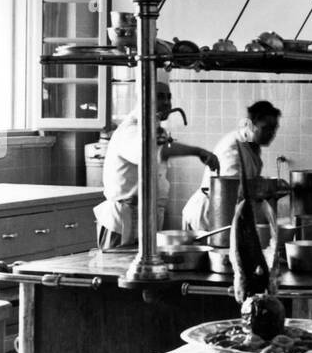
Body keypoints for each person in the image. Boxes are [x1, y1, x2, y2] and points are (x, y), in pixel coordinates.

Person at [94, 82, 219, 249]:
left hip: (146, 217)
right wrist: (198, 151)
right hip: (123, 222)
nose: (167, 102)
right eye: (160, 97)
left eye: (169, 97)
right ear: (144, 99)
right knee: (117, 270)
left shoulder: (154, 129)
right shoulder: (131, 130)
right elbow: (151, 153)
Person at [181, 100, 288, 234]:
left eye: (274, 128)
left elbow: (247, 180)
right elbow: (231, 188)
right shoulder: (233, 148)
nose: (271, 133)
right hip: (206, 217)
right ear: (251, 125)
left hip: (222, 216)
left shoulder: (252, 146)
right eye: (266, 128)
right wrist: (268, 186)